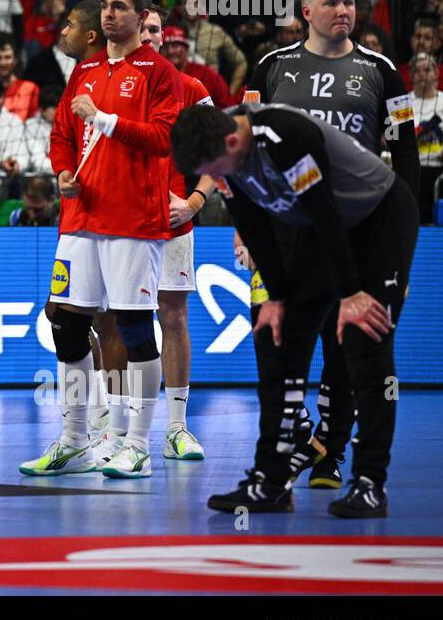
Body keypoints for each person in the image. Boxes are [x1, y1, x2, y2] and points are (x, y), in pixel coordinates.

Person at [172, 101, 418, 518]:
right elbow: (253, 226)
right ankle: (271, 481)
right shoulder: (225, 158)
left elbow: (324, 210)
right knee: (277, 336)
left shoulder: (285, 137)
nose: (215, 179)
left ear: (233, 140)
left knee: (364, 338)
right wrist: (278, 297)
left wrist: (350, 294)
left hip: (379, 219)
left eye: (216, 167)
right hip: (318, 229)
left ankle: (370, 483)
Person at [247, 0, 419, 490]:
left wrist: (400, 248)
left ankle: (332, 452)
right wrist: (248, 229)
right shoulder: (271, 66)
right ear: (306, 11)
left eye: (349, 3)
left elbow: (407, 158)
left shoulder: (384, 71)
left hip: (358, 226)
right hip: (287, 226)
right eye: (332, 3)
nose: (344, 11)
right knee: (274, 342)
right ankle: (293, 443)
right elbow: (250, 144)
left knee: (348, 343)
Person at [20, 0, 181, 479]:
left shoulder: (160, 72)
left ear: (142, 15)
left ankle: (137, 444)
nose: (108, 15)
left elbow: (162, 138)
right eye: (105, 7)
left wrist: (106, 119)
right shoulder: (85, 69)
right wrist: (63, 171)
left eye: (119, 7)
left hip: (133, 219)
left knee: (133, 328)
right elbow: (64, 132)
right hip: (80, 218)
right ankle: (74, 440)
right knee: (64, 321)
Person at [93, 7, 217, 467]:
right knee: (111, 322)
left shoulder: (192, 90)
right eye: (140, 28)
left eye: (153, 30)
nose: (146, 36)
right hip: (114, 224)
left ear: (162, 38)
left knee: (172, 316)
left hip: (171, 222)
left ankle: (177, 428)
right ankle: (116, 429)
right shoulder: (100, 82)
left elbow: (216, 156)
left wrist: (194, 202)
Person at [410, 53, 442, 224]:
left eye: (427, 69)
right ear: (411, 75)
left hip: (440, 169)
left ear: (436, 73)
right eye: (417, 70)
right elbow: (389, 137)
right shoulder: (403, 102)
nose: (422, 74)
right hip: (413, 168)